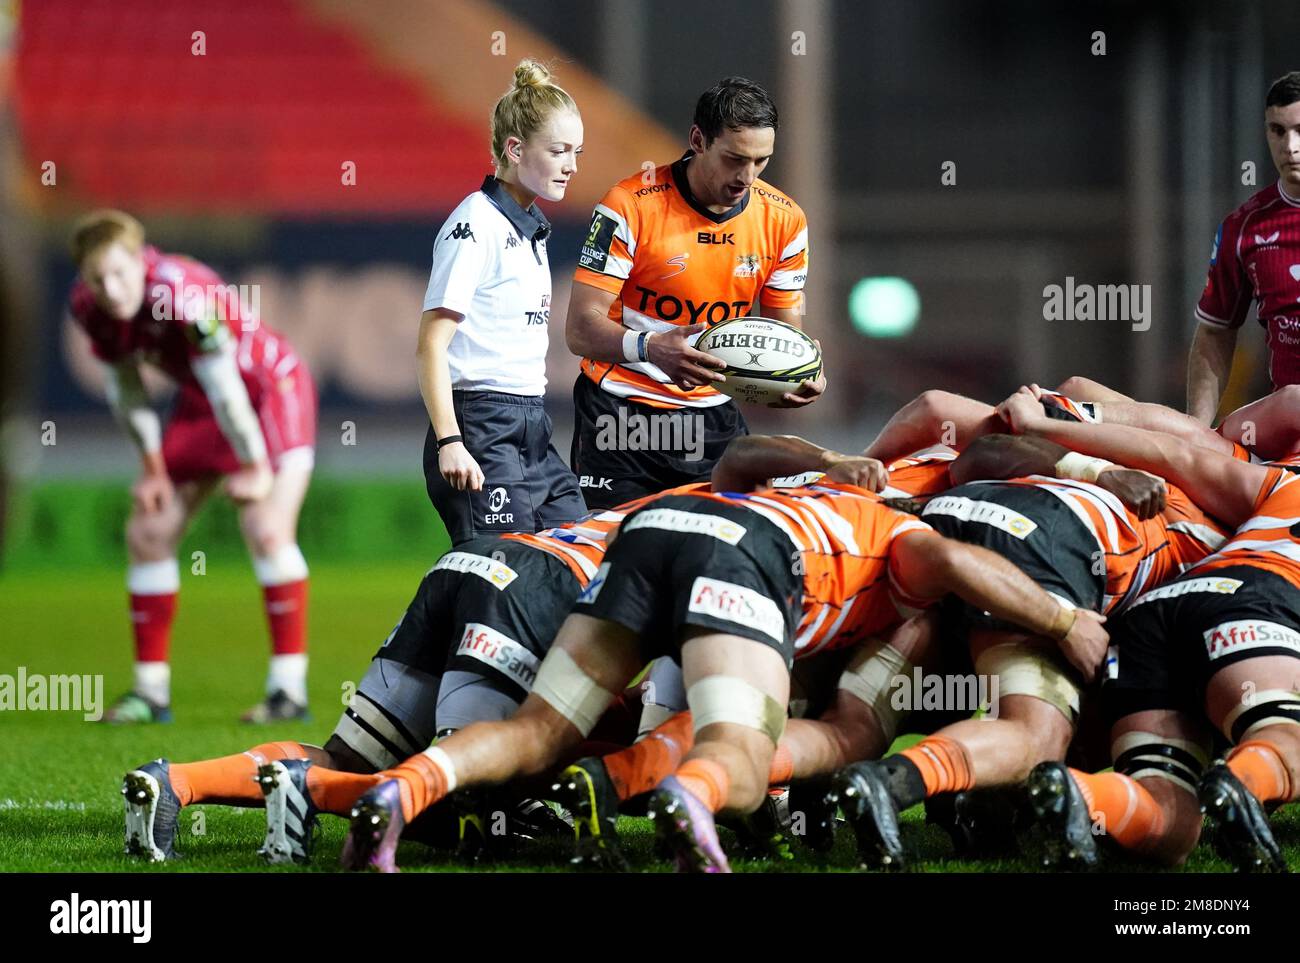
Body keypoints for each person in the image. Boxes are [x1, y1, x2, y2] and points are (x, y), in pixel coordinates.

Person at [68, 210, 316, 723]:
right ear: (85, 280)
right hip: (208, 402)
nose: (112, 290)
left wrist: (254, 465)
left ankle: (287, 692)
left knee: (267, 528)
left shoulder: (182, 296)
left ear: (142, 260)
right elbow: (127, 390)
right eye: (98, 279)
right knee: (149, 531)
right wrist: (152, 469)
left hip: (270, 390)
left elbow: (230, 389)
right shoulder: (89, 308)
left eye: (120, 273)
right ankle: (150, 694)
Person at [565, 76, 824, 510]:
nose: (747, 177)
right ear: (698, 140)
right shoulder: (629, 205)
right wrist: (651, 348)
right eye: (735, 159)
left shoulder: (786, 221)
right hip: (621, 415)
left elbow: (784, 336)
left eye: (762, 161)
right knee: (618, 559)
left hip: (713, 419)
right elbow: (579, 329)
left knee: (717, 551)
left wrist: (798, 377)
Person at [419, 60, 586, 545]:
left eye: (577, 152)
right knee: (500, 579)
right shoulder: (475, 225)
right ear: (514, 149)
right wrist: (450, 441)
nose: (572, 165)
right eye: (558, 151)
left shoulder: (529, 227)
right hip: (480, 428)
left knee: (582, 558)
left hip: (531, 424)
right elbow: (431, 346)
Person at [1186, 71, 1300, 460]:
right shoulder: (1245, 228)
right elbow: (1215, 333)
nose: (1291, 147)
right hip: (1288, 434)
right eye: (1278, 131)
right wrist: (1196, 436)